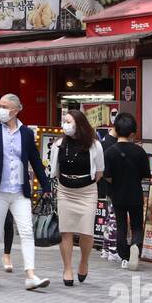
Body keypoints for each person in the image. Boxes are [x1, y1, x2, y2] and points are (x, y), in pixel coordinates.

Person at [0, 94, 52, 291]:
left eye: (5, 106)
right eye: (0, 106)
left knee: (26, 230)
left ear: (16, 110)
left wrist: (46, 185)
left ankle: (30, 274)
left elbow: (35, 160)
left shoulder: (26, 133)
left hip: (19, 191)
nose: (1, 110)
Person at [49, 108, 105, 285]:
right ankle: (67, 268)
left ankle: (84, 261)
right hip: (65, 191)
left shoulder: (95, 145)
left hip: (87, 192)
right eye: (64, 121)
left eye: (69, 122)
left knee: (86, 232)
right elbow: (55, 170)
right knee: (65, 231)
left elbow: (99, 173)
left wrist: (83, 182)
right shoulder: (59, 144)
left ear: (79, 124)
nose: (65, 125)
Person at [103, 112, 150, 270]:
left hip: (118, 194)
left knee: (121, 226)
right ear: (132, 133)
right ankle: (135, 245)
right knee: (136, 226)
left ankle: (124, 257)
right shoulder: (139, 152)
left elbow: (106, 176)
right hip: (135, 193)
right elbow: (145, 175)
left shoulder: (109, 152)